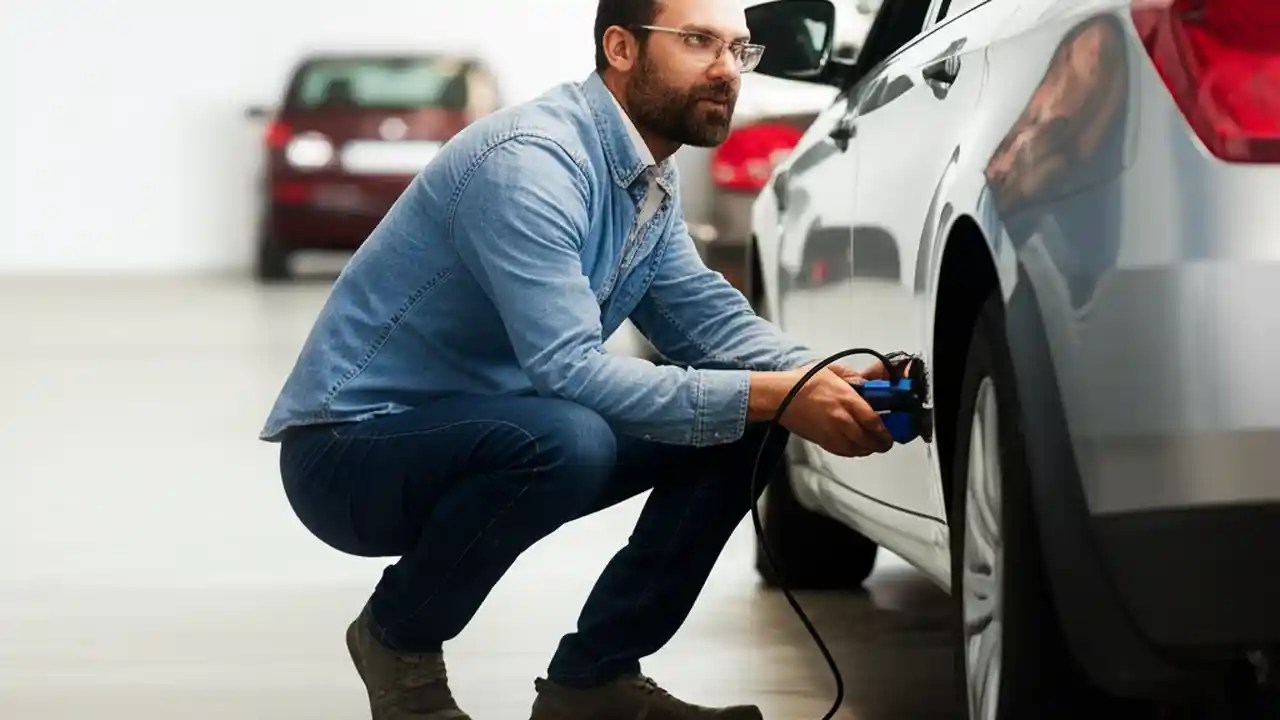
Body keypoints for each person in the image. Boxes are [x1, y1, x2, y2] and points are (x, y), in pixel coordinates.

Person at [259, 0, 894, 717]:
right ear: (620, 47)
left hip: (487, 427)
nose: (726, 70)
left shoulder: (645, 171)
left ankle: (594, 682)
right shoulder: (530, 163)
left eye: (738, 50)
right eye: (698, 42)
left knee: (743, 425)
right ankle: (397, 640)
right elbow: (569, 370)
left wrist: (820, 375)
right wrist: (777, 392)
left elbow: (705, 319)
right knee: (572, 438)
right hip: (350, 451)